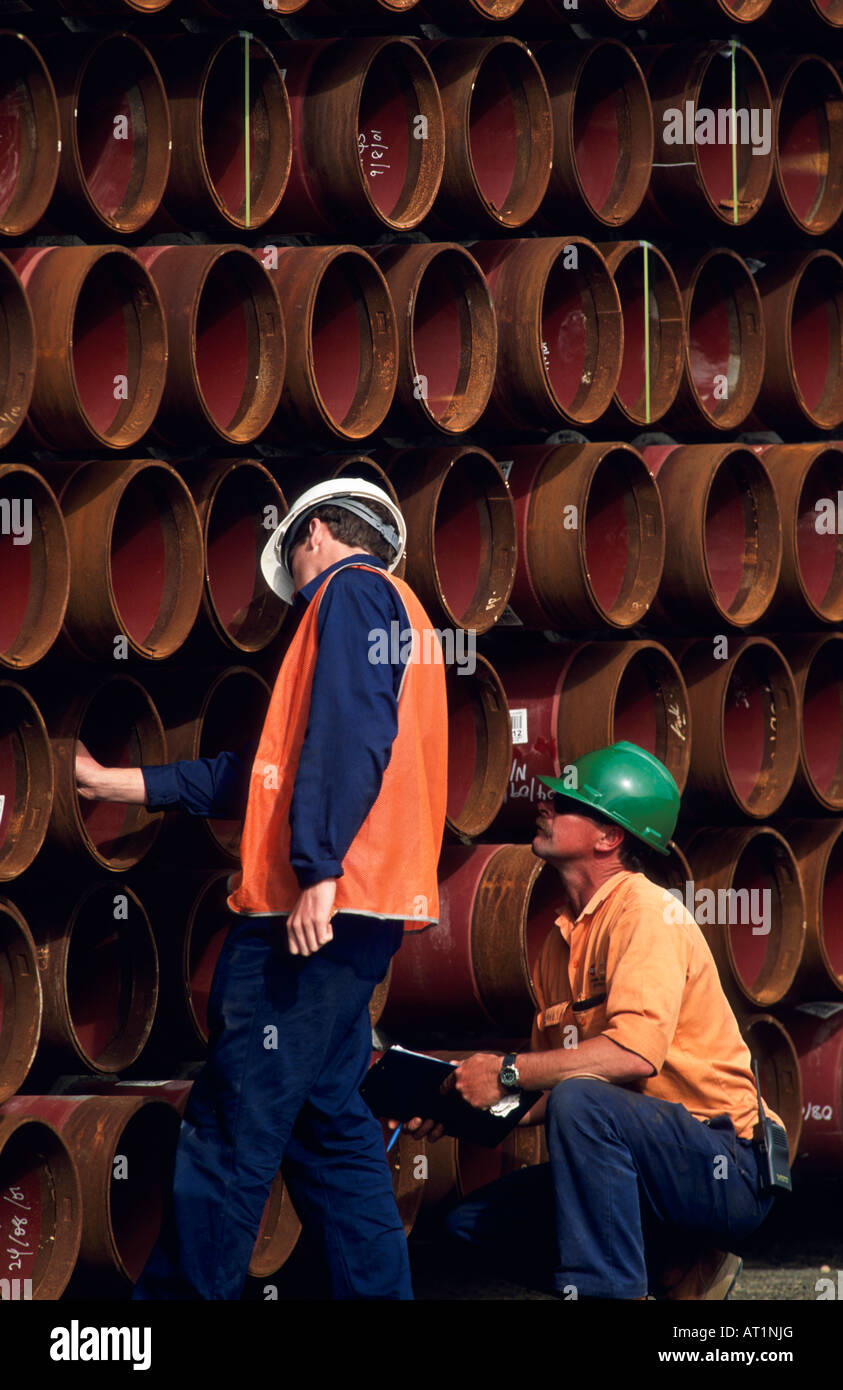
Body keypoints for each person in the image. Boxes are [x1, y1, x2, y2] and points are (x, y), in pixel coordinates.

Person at [75, 479, 449, 1301]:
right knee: (328, 1129)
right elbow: (268, 776)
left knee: (234, 1124)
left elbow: (349, 738)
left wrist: (317, 870)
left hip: (308, 919)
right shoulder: (403, 615)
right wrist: (120, 783)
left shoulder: (348, 596)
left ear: (312, 532)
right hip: (361, 919)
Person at [401, 742, 785, 1301]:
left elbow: (632, 1057)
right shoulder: (561, 940)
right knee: (472, 1224)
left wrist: (505, 1071)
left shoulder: (646, 915)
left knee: (583, 1100)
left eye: (566, 802)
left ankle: (611, 1291)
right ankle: (675, 1269)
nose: (546, 805)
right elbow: (548, 1088)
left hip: (724, 1166)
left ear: (610, 837)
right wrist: (463, 1100)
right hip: (644, 1159)